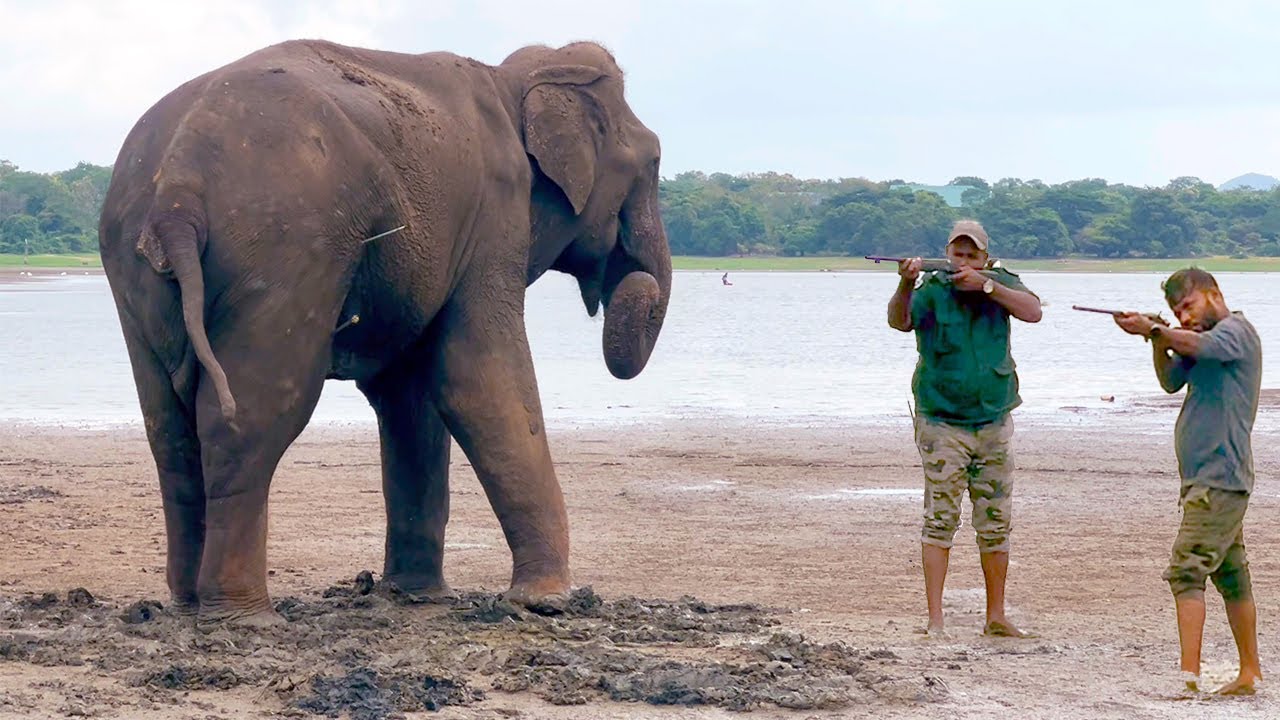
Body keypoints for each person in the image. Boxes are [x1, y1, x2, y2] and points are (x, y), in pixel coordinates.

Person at [886, 219, 1043, 638]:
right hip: (941, 421)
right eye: (958, 254)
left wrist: (987, 286)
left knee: (995, 523)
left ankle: (996, 615)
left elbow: (1034, 312)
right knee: (939, 519)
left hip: (993, 419)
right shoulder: (932, 289)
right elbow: (899, 322)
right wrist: (905, 283)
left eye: (972, 255)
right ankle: (935, 620)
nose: (963, 262)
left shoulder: (1001, 281)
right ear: (947, 253)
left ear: (985, 258)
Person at [1113, 268, 1263, 695]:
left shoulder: (1236, 331)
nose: (1184, 317)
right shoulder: (1193, 338)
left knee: (1186, 571)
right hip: (1206, 479)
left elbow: (1203, 345)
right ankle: (1249, 672)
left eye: (1189, 306)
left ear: (1213, 294)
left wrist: (1157, 328)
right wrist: (1155, 339)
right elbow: (1170, 380)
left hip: (1220, 477)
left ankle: (1189, 679)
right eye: (1177, 311)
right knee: (1231, 574)